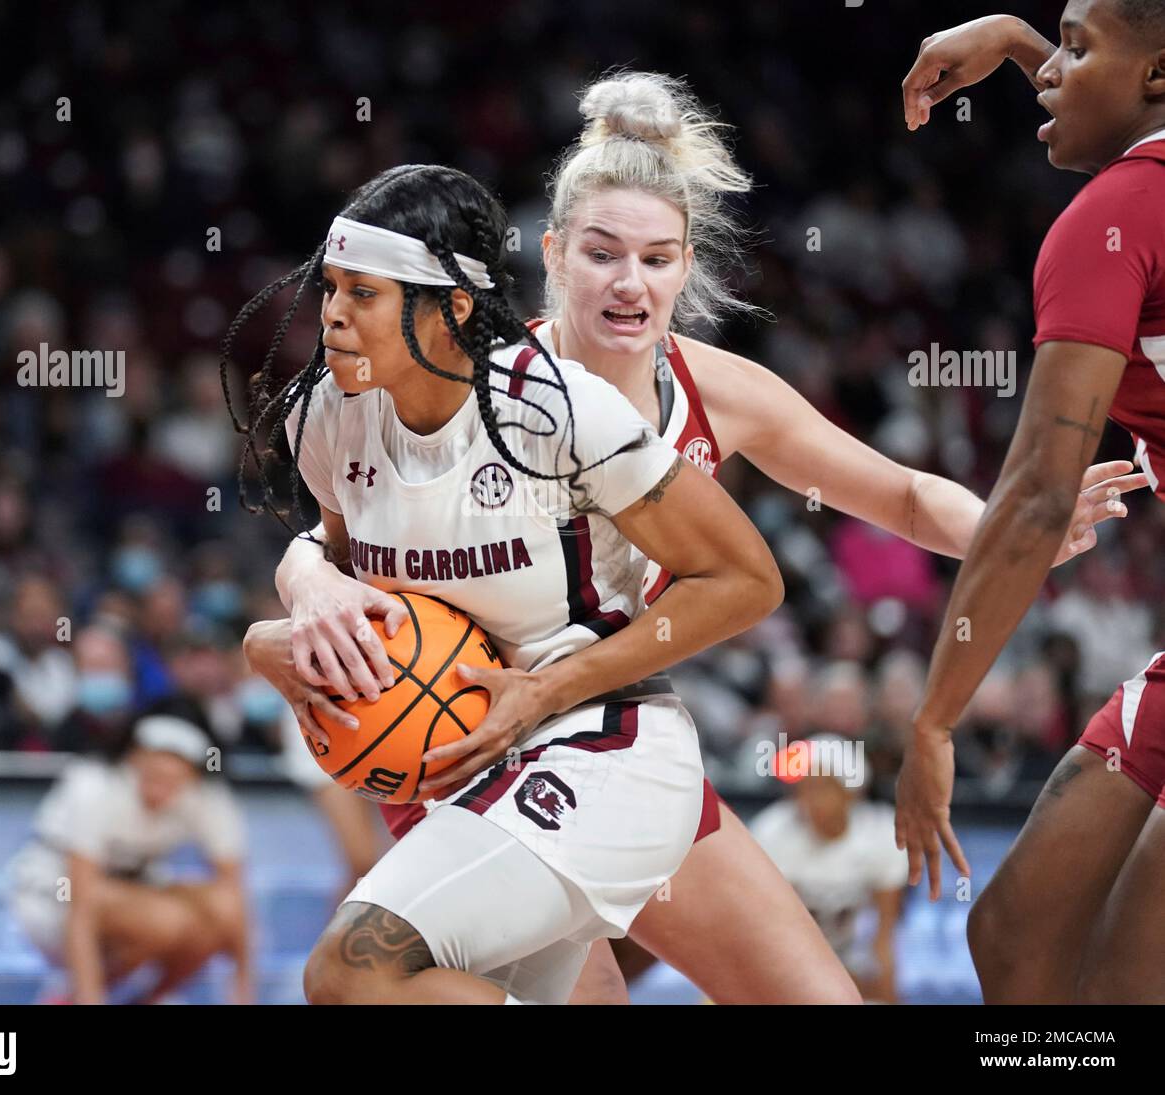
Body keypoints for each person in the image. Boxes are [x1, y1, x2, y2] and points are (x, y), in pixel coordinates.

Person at [248, 72, 1137, 1003]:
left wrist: (1018, 528)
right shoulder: (474, 381)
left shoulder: (716, 389)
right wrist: (305, 585)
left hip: (603, 723)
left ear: (686, 268)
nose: (629, 282)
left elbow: (907, 497)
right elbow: (340, 527)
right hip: (463, 731)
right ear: (552, 256)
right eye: (601, 254)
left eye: (657, 258)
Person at [223, 160, 795, 1005]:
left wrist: (543, 690)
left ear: (453, 306)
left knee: (352, 969)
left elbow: (745, 580)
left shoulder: (559, 410)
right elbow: (332, 556)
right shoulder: (328, 411)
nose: (333, 316)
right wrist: (296, 603)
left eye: (364, 294)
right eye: (331, 288)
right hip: (471, 771)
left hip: (604, 747)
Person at [896, 3, 1165, 1003]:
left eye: (1076, 48)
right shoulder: (1133, 202)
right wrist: (1013, 39)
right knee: (1014, 942)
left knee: (1118, 991)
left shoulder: (1112, 216)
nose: (1052, 74)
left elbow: (1040, 490)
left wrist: (933, 720)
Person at [7, 697, 252, 1004]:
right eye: (155, 775)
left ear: (191, 775)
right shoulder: (94, 787)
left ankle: (144, 999)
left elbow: (235, 900)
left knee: (222, 908)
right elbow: (81, 904)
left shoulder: (207, 796)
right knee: (167, 920)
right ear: (135, 759)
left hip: (133, 895)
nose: (162, 789)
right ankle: (78, 995)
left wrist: (243, 996)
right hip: (51, 897)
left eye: (174, 779)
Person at [750, 737, 907, 1003]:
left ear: (850, 791)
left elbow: (883, 939)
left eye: (820, 787)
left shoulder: (881, 835)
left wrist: (882, 988)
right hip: (785, 957)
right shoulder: (772, 831)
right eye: (801, 788)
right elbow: (770, 934)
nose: (806, 799)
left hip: (851, 958)